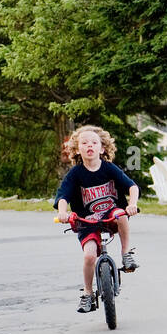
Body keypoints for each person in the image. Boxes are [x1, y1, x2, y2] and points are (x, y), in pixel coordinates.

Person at [52, 125, 139, 313]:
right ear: (76, 150)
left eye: (94, 142)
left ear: (102, 148)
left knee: (121, 214)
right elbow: (63, 197)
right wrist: (63, 212)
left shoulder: (109, 168)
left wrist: (132, 204)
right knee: (90, 255)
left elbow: (132, 187)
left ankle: (126, 254)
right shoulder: (75, 174)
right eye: (84, 143)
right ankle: (88, 293)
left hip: (110, 216)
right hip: (86, 221)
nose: (89, 145)